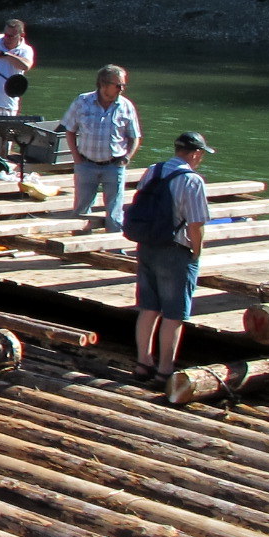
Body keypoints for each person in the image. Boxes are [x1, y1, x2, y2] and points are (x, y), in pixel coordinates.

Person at [129, 132, 214, 384]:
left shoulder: (152, 171)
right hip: (174, 251)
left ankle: (143, 363)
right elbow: (196, 224)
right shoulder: (192, 180)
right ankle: (165, 369)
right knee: (173, 314)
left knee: (148, 308)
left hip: (146, 246)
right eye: (201, 155)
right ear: (195, 153)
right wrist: (196, 252)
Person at [59, 65, 141, 234]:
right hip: (86, 164)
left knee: (115, 213)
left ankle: (114, 249)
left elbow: (135, 137)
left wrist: (127, 158)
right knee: (81, 210)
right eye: (118, 85)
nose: (122, 89)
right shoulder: (82, 101)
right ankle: (77, 248)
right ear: (103, 84)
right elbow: (69, 130)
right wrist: (76, 157)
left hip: (114, 165)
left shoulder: (126, 106)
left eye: (124, 85)